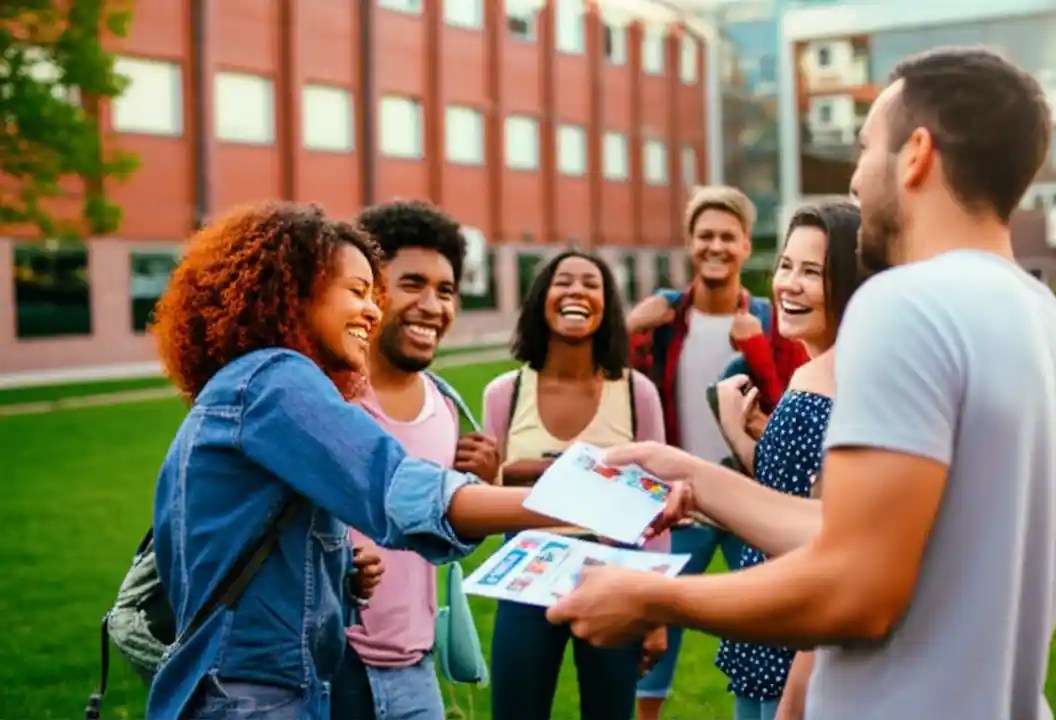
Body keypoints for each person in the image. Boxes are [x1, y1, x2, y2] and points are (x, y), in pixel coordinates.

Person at [548, 46, 1056, 720]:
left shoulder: (906, 304)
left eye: (866, 150)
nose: (855, 183)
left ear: (916, 154)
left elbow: (857, 590)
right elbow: (860, 535)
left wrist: (651, 598)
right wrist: (692, 474)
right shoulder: (1055, 327)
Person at [145, 201, 690, 720]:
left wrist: (339, 574)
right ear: (294, 293)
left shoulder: (251, 384)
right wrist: (595, 503)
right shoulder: (275, 381)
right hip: (250, 696)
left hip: (276, 682)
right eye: (358, 291)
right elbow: (407, 494)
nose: (372, 309)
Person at [626, 186, 807, 719]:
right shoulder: (665, 317)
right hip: (678, 500)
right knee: (654, 619)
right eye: (705, 236)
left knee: (770, 623)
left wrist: (752, 345)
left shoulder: (767, 319)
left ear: (746, 246)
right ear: (689, 244)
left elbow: (788, 405)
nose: (716, 246)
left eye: (728, 237)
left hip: (749, 496)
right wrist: (632, 324)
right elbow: (610, 379)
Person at [330, 200, 501, 720]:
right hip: (330, 664)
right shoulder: (326, 400)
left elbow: (439, 532)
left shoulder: (447, 407)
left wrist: (483, 485)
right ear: (369, 288)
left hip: (415, 664)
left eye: (445, 290)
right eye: (412, 284)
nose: (433, 305)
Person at [482, 250, 670, 720]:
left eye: (592, 283)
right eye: (563, 281)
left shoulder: (635, 392)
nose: (577, 292)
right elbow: (485, 492)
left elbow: (659, 506)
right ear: (541, 298)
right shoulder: (505, 393)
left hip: (613, 578)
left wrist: (656, 609)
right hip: (525, 572)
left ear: (607, 305)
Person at [710, 201, 866, 720]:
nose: (789, 285)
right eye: (786, 266)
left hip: (796, 643)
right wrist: (755, 434)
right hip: (773, 627)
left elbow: (826, 543)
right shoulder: (819, 369)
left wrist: (734, 430)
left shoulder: (838, 378)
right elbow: (792, 493)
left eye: (813, 272)